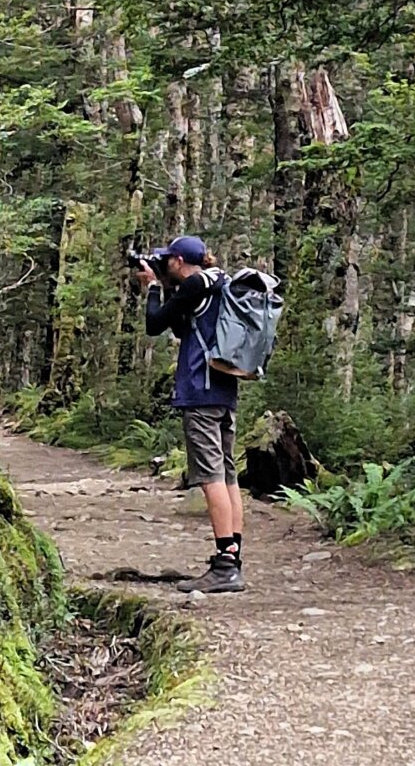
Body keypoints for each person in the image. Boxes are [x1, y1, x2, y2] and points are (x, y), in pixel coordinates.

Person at [135, 233, 245, 593]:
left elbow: (156, 324)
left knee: (210, 475)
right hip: (225, 388)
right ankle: (232, 556)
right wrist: (167, 285)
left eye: (168, 261)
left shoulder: (195, 283)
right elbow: (184, 326)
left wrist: (152, 287)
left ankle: (225, 565)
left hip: (200, 390)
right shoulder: (219, 282)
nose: (164, 265)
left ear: (179, 262)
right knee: (228, 474)